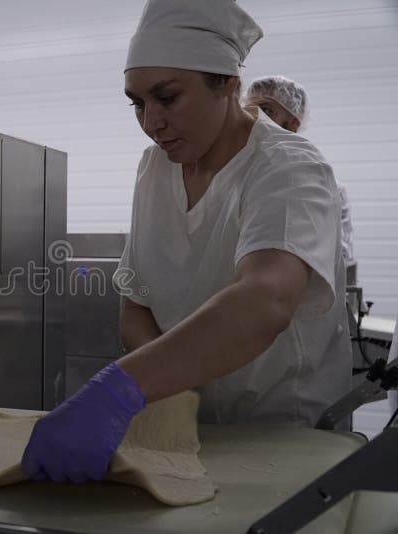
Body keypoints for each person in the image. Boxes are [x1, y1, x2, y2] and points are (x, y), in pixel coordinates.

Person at [21, 0, 352, 484]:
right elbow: (137, 304)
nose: (150, 122)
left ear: (229, 85)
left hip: (283, 436)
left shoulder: (287, 167)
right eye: (137, 103)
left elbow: (266, 299)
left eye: (167, 97)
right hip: (194, 434)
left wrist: (121, 390)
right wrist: (171, 396)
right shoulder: (155, 168)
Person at [245, 75, 357, 280]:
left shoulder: (319, 184)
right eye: (248, 109)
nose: (254, 118)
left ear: (293, 124)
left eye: (266, 110)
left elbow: (339, 261)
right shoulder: (236, 174)